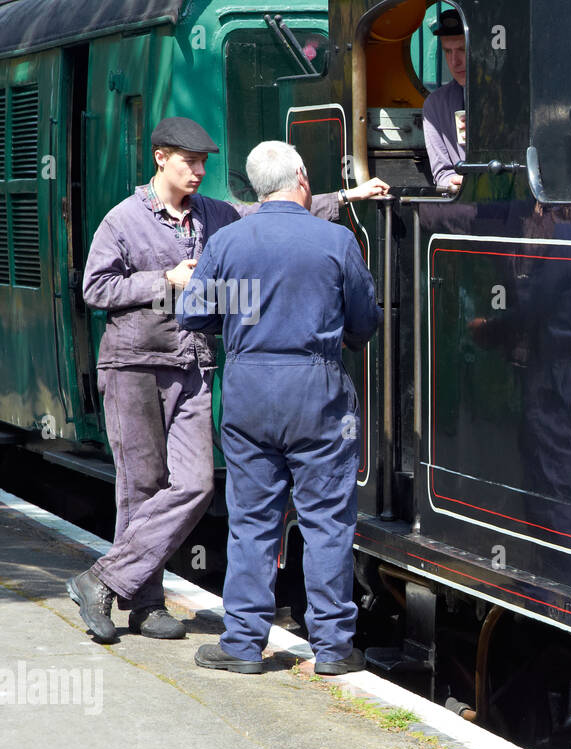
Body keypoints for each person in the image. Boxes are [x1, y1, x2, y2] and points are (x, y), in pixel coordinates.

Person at [67, 117, 386, 645]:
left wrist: (345, 195)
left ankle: (101, 579)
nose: (199, 172)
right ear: (160, 158)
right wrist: (161, 280)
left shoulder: (216, 215)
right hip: (135, 365)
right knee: (140, 488)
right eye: (189, 162)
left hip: (192, 363)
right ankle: (142, 604)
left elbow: (271, 212)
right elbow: (96, 288)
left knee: (195, 483)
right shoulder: (122, 220)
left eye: (204, 163)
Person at [178, 140, 381, 676]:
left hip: (248, 393)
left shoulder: (227, 241)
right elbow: (365, 321)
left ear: (255, 188)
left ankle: (243, 644)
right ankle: (334, 649)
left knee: (251, 521)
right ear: (302, 177)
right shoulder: (336, 240)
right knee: (327, 522)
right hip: (318, 393)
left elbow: (193, 316)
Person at [422, 8, 467, 193]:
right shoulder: (435, 105)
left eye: (462, 50)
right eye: (448, 51)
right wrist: (454, 182)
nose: (454, 62)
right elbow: (442, 173)